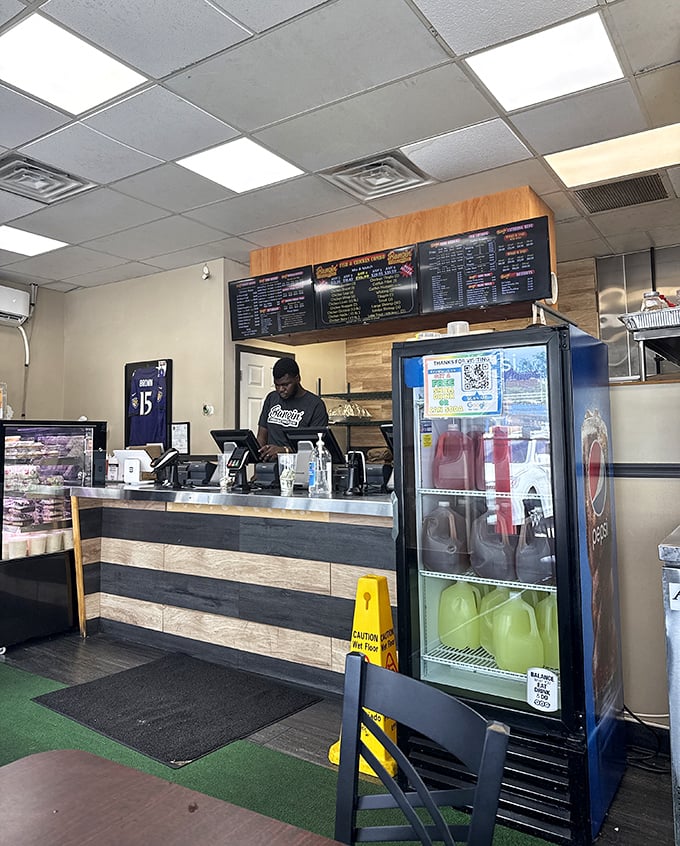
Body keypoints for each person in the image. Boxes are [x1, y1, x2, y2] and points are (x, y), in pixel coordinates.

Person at [257, 358, 328, 461]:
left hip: (299, 469)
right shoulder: (271, 398)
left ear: (298, 378)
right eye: (277, 385)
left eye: (285, 385)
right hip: (269, 469)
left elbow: (315, 447)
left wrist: (284, 451)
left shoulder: (315, 405)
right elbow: (261, 437)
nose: (281, 389)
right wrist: (258, 467)